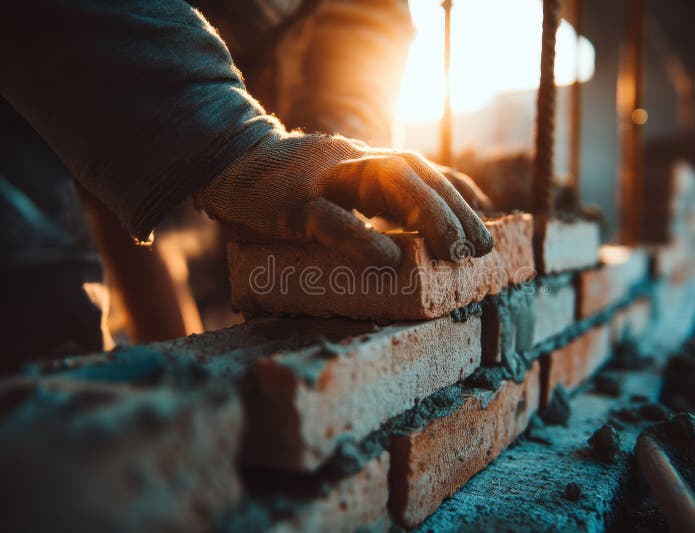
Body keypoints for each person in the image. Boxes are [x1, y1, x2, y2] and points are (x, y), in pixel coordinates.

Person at [0, 0, 493, 367]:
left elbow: (364, 13)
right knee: (42, 361)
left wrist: (340, 142)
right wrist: (226, 140)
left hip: (202, 54)